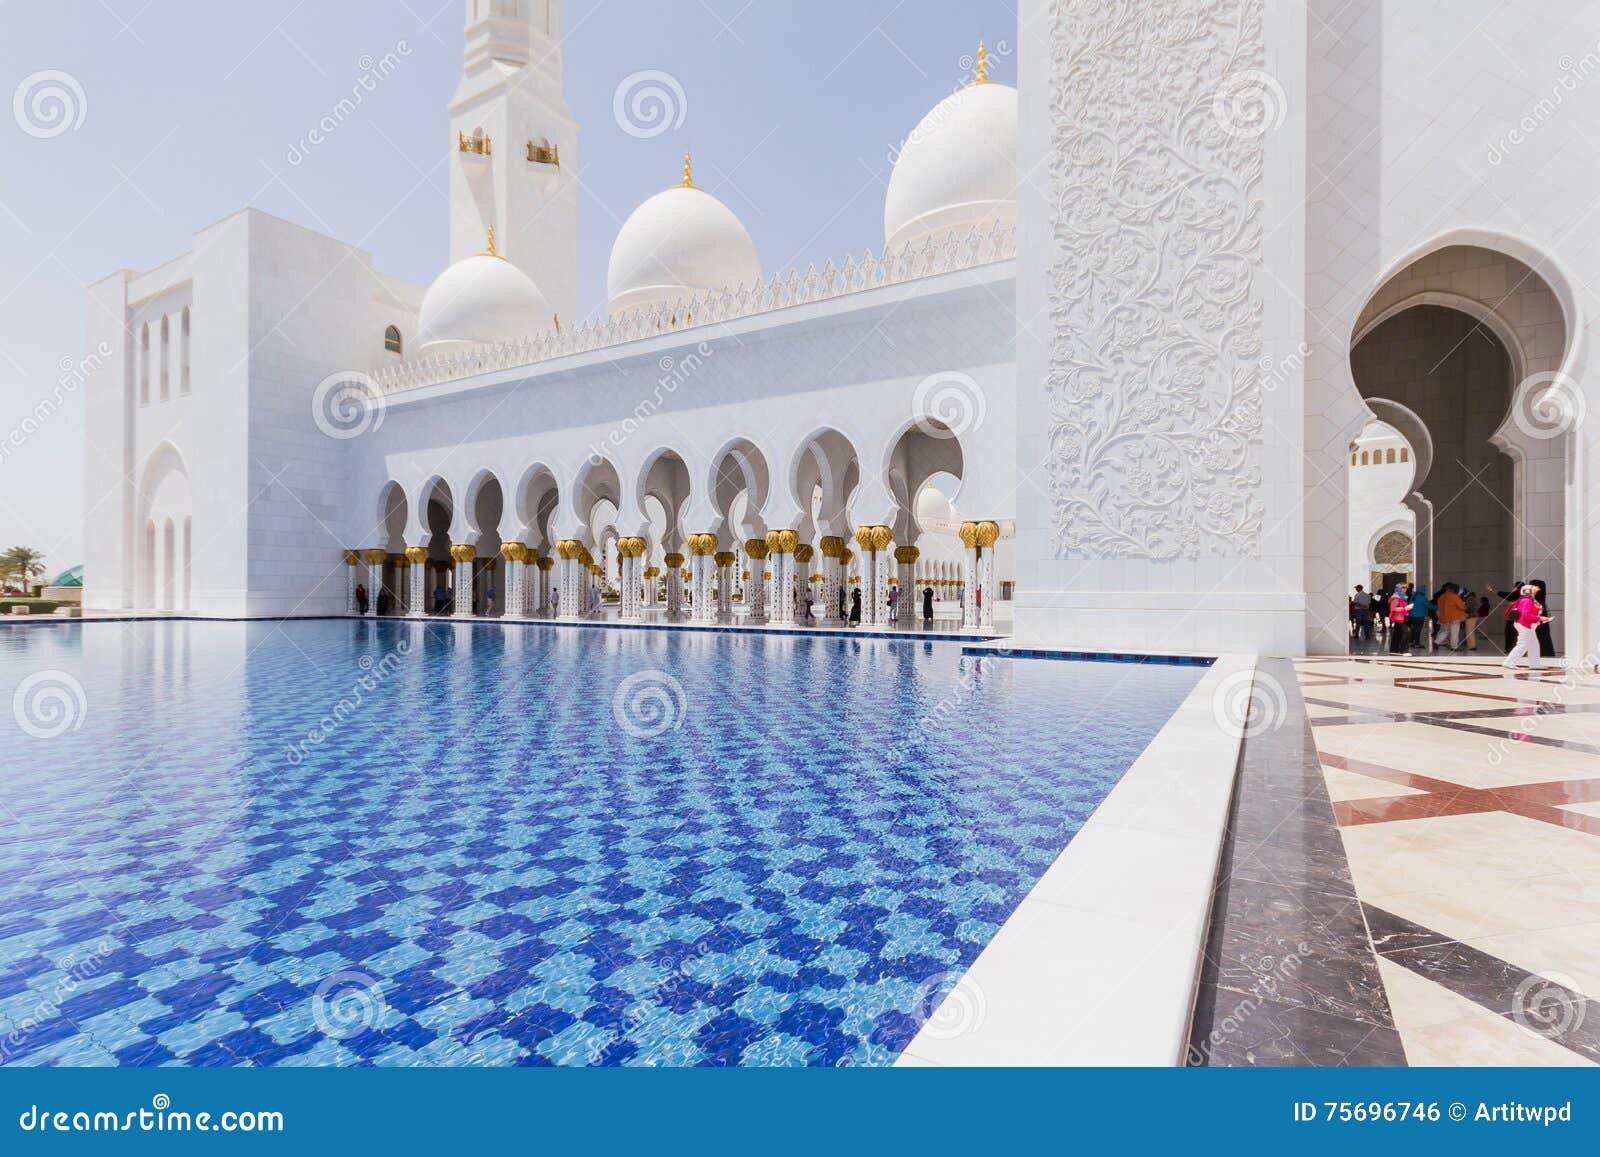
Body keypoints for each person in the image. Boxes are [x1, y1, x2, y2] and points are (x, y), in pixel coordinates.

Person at [1503, 583, 1552, 672]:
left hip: (1526, 624)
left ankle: (1535, 664)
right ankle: (1509, 662)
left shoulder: (1525, 600)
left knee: (1534, 645)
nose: (1535, 592)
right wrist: (1540, 618)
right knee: (1523, 644)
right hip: (1525, 625)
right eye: (1533, 591)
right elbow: (1526, 615)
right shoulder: (1527, 601)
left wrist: (1539, 619)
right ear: (1528, 592)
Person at [1434, 583, 1466, 650]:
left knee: (1445, 631)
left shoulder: (1441, 597)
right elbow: (1462, 607)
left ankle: (1436, 642)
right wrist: (1464, 603)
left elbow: (1439, 607)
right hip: (1454, 618)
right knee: (1454, 632)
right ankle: (1454, 647)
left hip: (1444, 618)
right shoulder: (1455, 597)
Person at [1406, 583, 1434, 650]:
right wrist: (1437, 607)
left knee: (1413, 629)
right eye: (1425, 589)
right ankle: (1417, 644)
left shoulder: (1414, 596)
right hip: (1420, 616)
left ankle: (1410, 642)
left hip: (1412, 615)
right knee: (1418, 630)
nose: (1425, 590)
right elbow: (1429, 606)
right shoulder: (1422, 598)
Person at [1387, 587, 1410, 654]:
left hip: (1400, 618)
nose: (1405, 589)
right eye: (1403, 588)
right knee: (1405, 633)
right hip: (1399, 618)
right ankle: (1402, 650)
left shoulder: (1401, 597)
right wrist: (1405, 608)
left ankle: (1394, 650)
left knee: (1397, 634)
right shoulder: (1396, 598)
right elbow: (1393, 608)